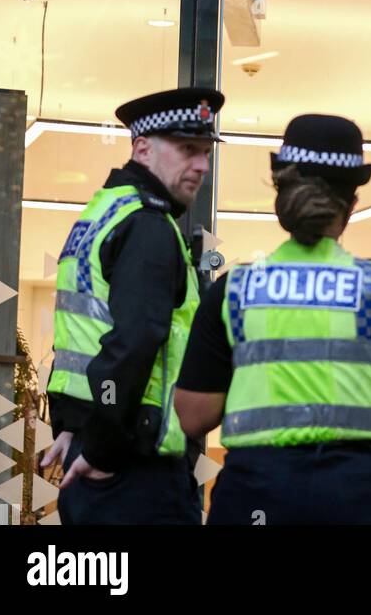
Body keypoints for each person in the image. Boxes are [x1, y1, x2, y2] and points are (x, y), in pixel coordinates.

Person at [175, 113, 371, 525]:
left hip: (256, 491)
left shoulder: (233, 292)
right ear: (352, 203)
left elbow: (194, 416)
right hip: (359, 495)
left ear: (281, 196)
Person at [41, 86, 224, 525]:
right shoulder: (147, 226)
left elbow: (84, 337)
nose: (201, 164)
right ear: (142, 148)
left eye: (205, 151)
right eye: (186, 150)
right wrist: (103, 448)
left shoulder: (102, 212)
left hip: (101, 451)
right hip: (133, 466)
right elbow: (136, 339)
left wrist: (75, 427)